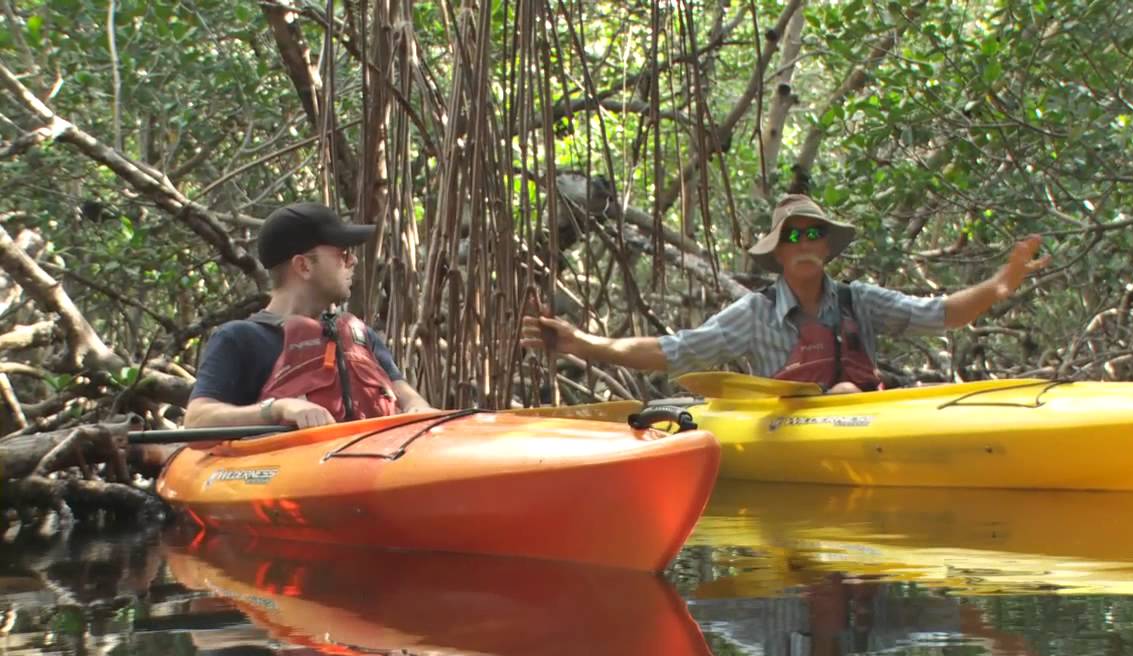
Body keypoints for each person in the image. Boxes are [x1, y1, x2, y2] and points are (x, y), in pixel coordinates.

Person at [521, 194, 1049, 392]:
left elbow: (940, 314)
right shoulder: (754, 313)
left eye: (812, 233)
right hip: (793, 431)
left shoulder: (858, 300)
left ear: (825, 246)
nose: (803, 242)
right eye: (791, 236)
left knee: (851, 392)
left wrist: (1001, 285)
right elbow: (671, 352)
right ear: (777, 253)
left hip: (868, 417)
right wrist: (581, 343)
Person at [186, 202, 433, 428]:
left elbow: (408, 396)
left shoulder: (361, 337)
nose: (354, 260)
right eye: (343, 254)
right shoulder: (239, 339)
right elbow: (197, 419)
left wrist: (416, 408)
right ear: (303, 266)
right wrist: (279, 408)